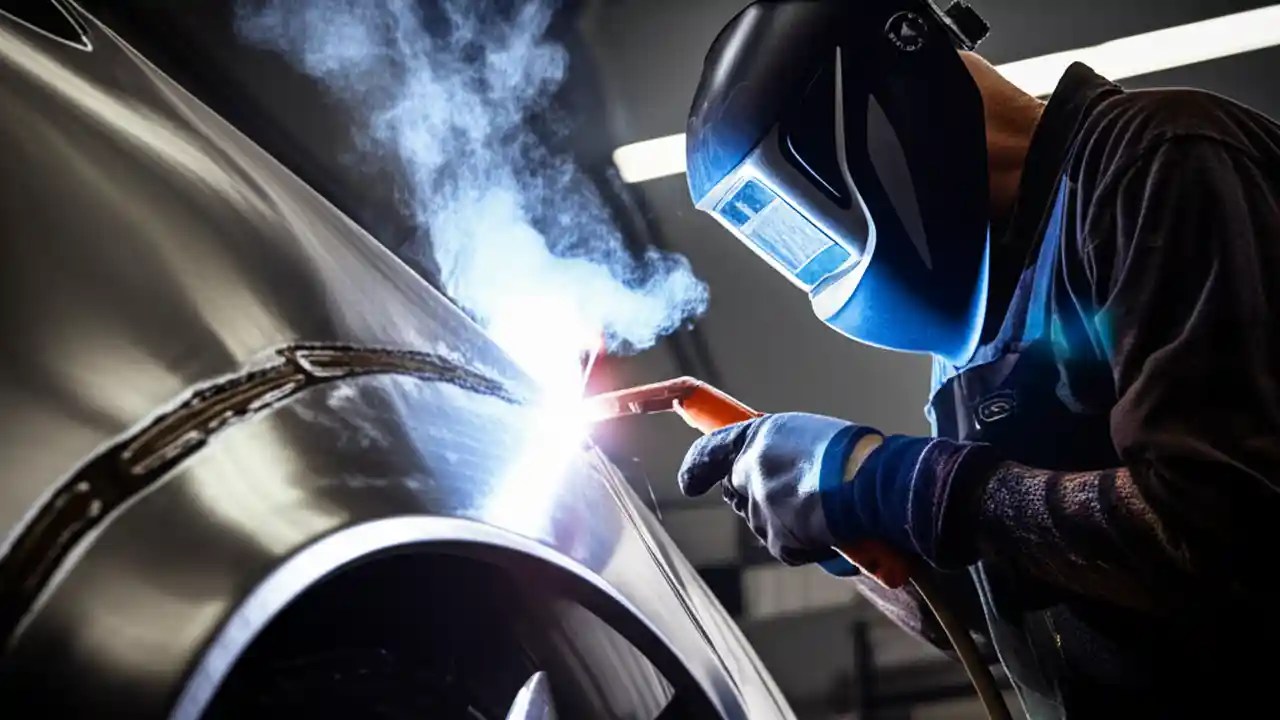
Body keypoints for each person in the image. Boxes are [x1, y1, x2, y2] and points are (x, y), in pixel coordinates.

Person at [679, 1, 1280, 717]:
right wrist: (839, 515)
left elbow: (1219, 530)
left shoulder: (1158, 162)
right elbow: (980, 607)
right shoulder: (989, 319)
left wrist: (895, 480)